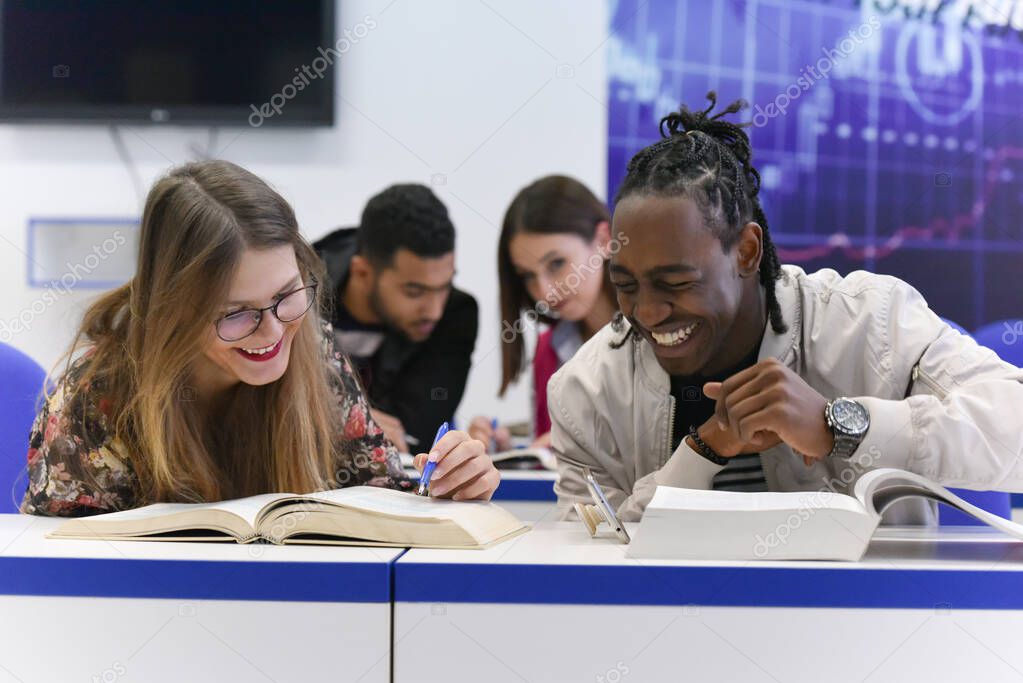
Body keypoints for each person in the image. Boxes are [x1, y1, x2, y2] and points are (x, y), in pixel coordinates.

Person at [548, 92, 1023, 522]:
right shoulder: (586, 391)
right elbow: (587, 564)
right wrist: (703, 450)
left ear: (747, 252)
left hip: (870, 614)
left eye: (676, 282)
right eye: (626, 285)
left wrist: (840, 425)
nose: (648, 313)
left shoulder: (871, 323)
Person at [20, 161, 498, 517]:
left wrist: (449, 489)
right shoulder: (95, 396)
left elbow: (385, 502)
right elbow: (64, 570)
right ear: (173, 309)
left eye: (287, 295)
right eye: (237, 314)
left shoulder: (317, 352)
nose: (272, 332)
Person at [314, 184, 478, 452]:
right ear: (362, 273)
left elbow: (416, 435)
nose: (434, 311)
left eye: (444, 286)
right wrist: (339, 418)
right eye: (414, 291)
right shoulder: (300, 296)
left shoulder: (456, 314)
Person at [468, 176, 617, 451]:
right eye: (527, 276)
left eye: (556, 263)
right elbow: (551, 456)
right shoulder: (548, 350)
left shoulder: (656, 335)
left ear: (603, 240)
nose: (545, 292)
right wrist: (509, 452)